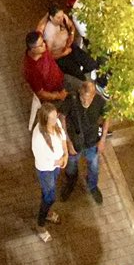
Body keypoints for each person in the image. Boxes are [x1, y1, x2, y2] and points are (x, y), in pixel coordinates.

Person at [63, 72, 108, 206]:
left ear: (94, 95)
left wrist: (103, 139)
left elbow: (107, 117)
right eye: (83, 98)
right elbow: (62, 117)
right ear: (80, 93)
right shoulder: (72, 99)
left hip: (92, 141)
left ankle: (92, 186)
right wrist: (67, 141)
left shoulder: (99, 101)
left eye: (89, 99)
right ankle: (71, 182)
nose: (85, 102)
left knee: (94, 167)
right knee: (71, 166)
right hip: (74, 141)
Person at [31, 104, 71, 242]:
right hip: (46, 170)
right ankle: (40, 224)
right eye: (52, 118)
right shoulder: (39, 137)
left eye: (55, 116)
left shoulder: (56, 123)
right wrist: (58, 162)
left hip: (56, 166)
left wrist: (65, 155)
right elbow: (42, 158)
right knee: (50, 197)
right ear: (45, 119)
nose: (55, 120)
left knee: (47, 193)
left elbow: (63, 137)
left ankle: (47, 212)